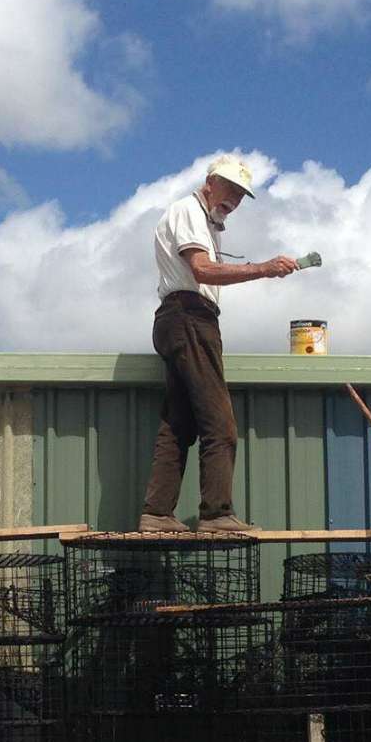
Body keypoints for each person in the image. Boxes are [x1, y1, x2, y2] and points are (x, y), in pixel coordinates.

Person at [137, 157, 298, 533]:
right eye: (230, 189)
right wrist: (264, 268)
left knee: (178, 423)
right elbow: (203, 271)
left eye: (241, 194)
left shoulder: (203, 220)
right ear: (210, 182)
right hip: (190, 317)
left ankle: (157, 513)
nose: (235, 200)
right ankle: (217, 514)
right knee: (219, 421)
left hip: (182, 319)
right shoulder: (189, 212)